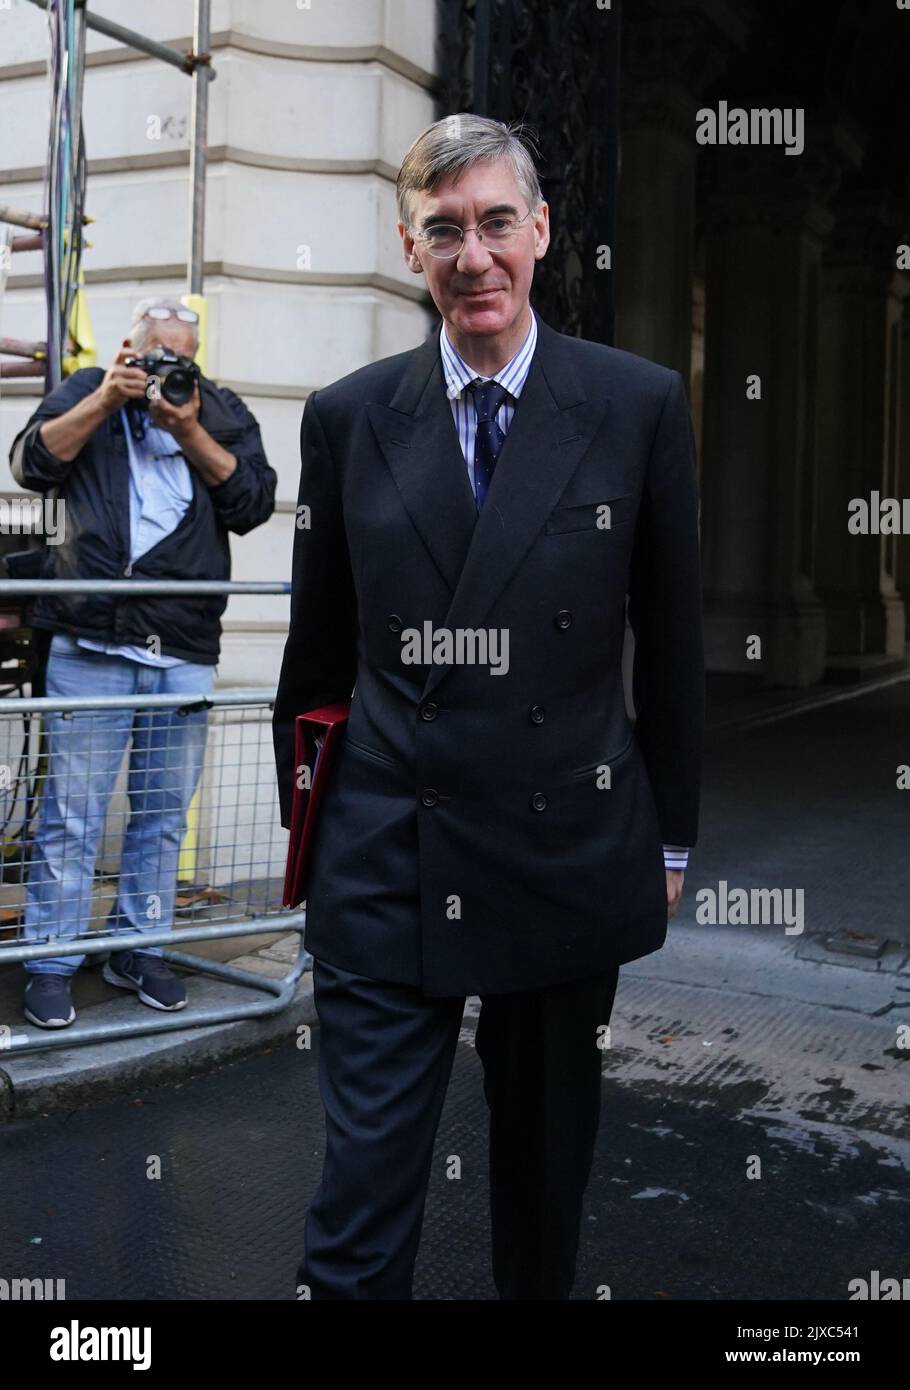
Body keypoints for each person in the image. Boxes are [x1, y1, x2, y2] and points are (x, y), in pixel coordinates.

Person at [272, 113, 704, 1300]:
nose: (475, 255)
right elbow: (316, 660)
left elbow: (670, 648)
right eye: (445, 229)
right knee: (358, 1211)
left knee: (540, 1196)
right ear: (409, 248)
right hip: (386, 857)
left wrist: (668, 835)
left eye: (496, 223)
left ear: (541, 232)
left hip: (563, 848)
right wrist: (316, 836)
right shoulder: (349, 414)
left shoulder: (635, 404)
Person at [9, 297, 277, 1029]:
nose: (164, 366)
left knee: (161, 816)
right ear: (127, 348)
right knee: (73, 815)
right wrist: (103, 397)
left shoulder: (214, 408)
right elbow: (31, 464)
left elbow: (253, 501)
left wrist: (188, 428)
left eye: (178, 355)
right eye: (151, 352)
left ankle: (139, 948)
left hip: (181, 646)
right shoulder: (88, 389)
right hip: (91, 640)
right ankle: (53, 959)